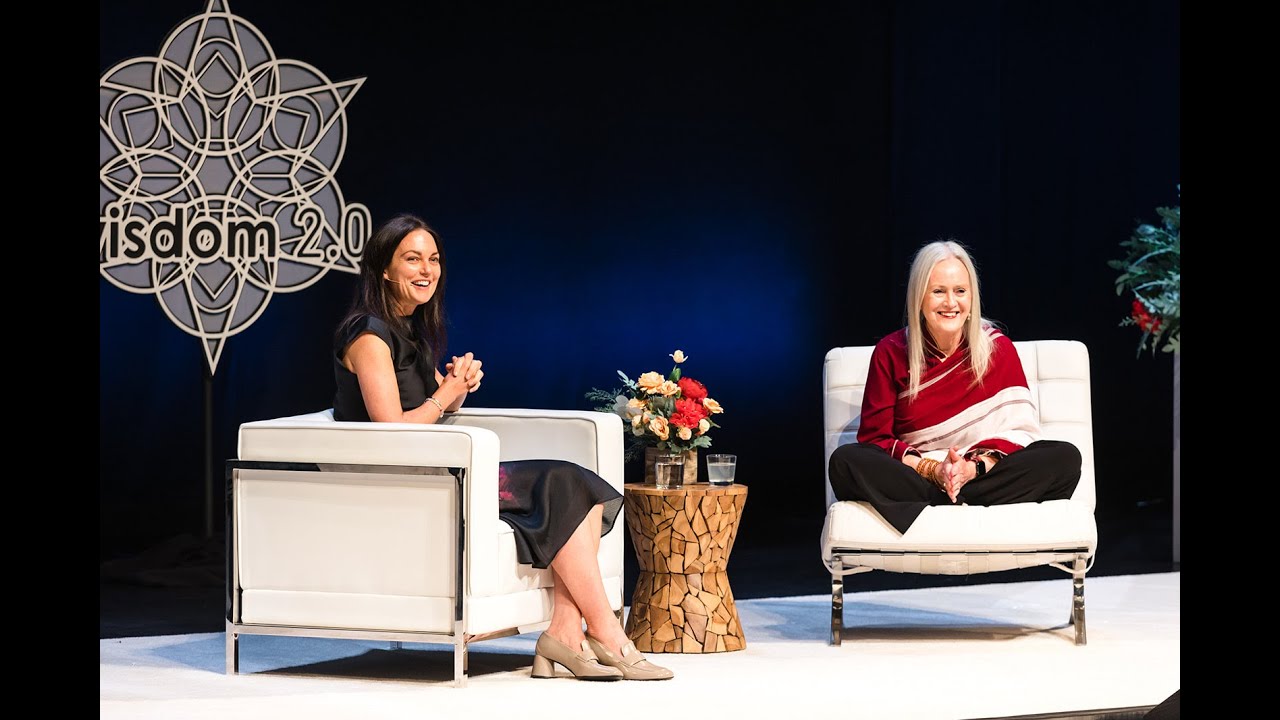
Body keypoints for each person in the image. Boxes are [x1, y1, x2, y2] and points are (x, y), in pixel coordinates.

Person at [332, 212, 672, 681]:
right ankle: (606, 635)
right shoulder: (369, 335)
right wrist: (446, 394)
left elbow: (434, 406)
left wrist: (459, 386)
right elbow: (393, 428)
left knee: (579, 488)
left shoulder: (410, 330)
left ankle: (566, 634)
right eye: (412, 259)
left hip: (445, 469)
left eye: (433, 259)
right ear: (383, 270)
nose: (426, 270)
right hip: (410, 481)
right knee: (568, 484)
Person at [827, 240, 1081, 534]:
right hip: (918, 474)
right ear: (919, 298)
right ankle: (949, 496)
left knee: (1064, 458)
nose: (951, 303)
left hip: (980, 473)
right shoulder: (891, 351)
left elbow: (1019, 433)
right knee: (846, 461)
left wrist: (969, 469)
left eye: (960, 291)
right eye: (939, 292)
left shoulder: (998, 348)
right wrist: (934, 471)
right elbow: (876, 439)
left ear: (972, 298)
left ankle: (945, 498)